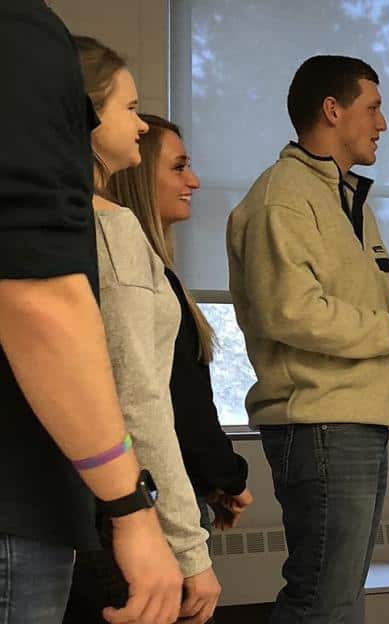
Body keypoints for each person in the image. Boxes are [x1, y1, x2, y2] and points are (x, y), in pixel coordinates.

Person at [226, 55, 389, 623]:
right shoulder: (283, 196)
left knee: (340, 599)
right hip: (320, 420)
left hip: (354, 416)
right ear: (332, 110)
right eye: (373, 108)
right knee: (321, 601)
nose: (383, 124)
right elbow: (293, 313)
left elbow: (366, 298)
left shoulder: (345, 198)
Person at [0, 5, 182, 624]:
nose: (143, 125)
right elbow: (42, 305)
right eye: (130, 108)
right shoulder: (21, 36)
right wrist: (136, 510)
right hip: (22, 497)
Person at [62, 36, 220, 624]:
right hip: (110, 515)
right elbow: (138, 399)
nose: (140, 124)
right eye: (129, 108)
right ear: (84, 112)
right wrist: (189, 548)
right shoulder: (112, 228)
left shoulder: (53, 220)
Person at [109, 113, 253, 531]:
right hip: (152, 505)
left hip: (168, 489)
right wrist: (227, 476)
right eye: (178, 167)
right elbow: (175, 400)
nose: (194, 181)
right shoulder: (139, 280)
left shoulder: (156, 272)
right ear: (137, 174)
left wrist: (210, 480)